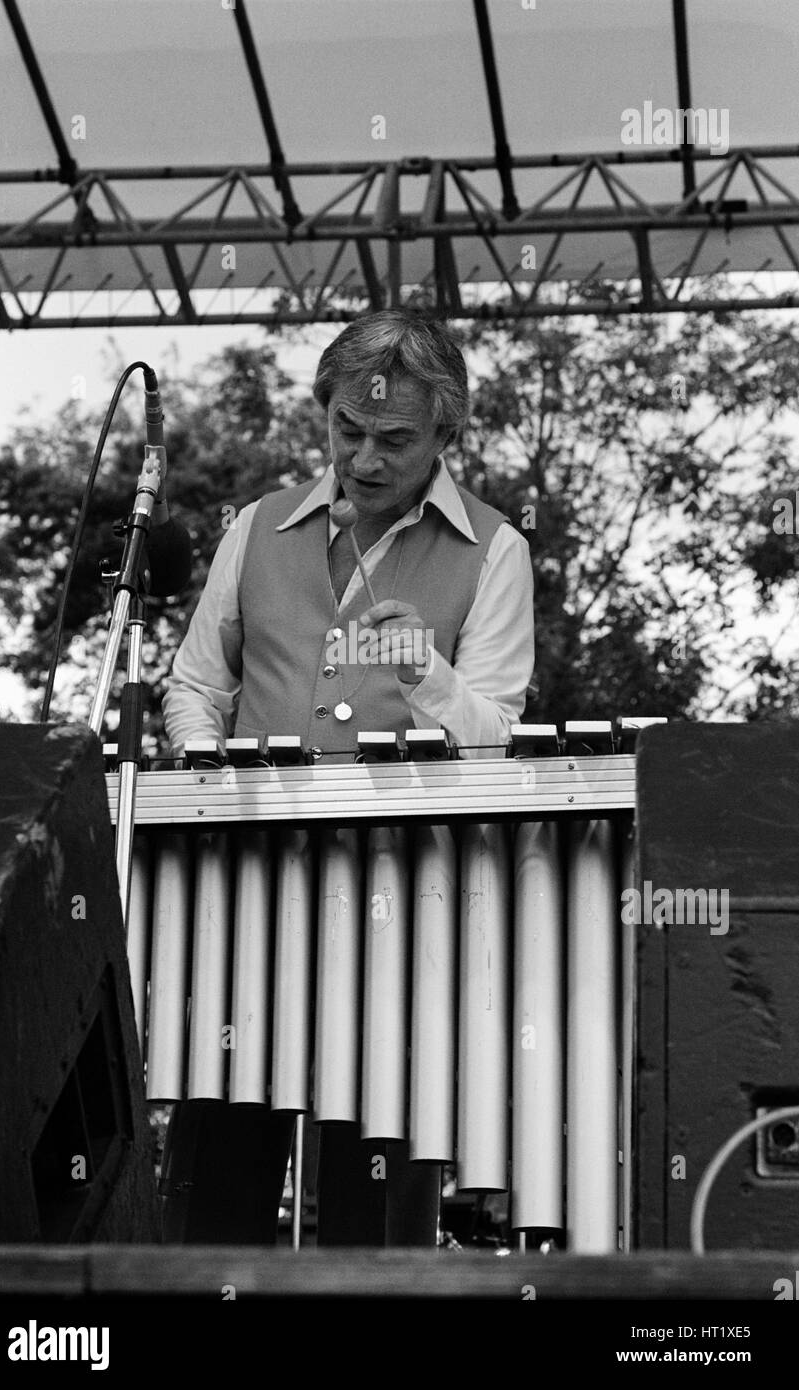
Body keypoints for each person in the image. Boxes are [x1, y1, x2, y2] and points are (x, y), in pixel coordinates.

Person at [160, 309, 535, 1245]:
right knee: (217, 1190)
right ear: (323, 414)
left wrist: (424, 672)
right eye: (346, 431)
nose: (364, 459)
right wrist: (205, 772)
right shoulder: (253, 528)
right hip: (243, 903)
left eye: (394, 440)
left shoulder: (495, 552)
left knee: (374, 1213)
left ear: (445, 435)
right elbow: (196, 684)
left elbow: (494, 743)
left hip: (399, 909)